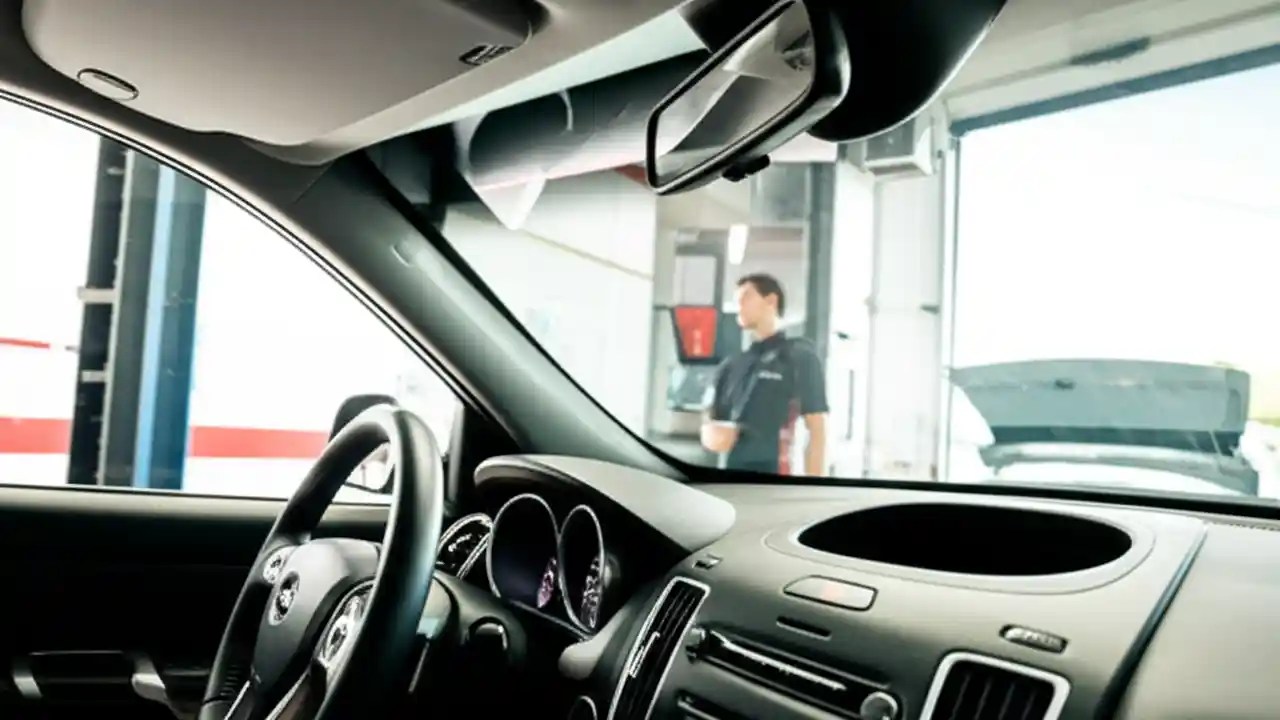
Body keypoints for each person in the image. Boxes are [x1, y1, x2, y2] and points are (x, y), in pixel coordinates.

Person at [701, 273, 828, 475]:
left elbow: (817, 430)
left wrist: (815, 486)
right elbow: (710, 422)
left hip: (777, 480)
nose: (739, 306)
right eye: (737, 302)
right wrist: (711, 437)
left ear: (771, 301)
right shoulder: (731, 365)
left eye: (745, 298)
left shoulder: (799, 357)